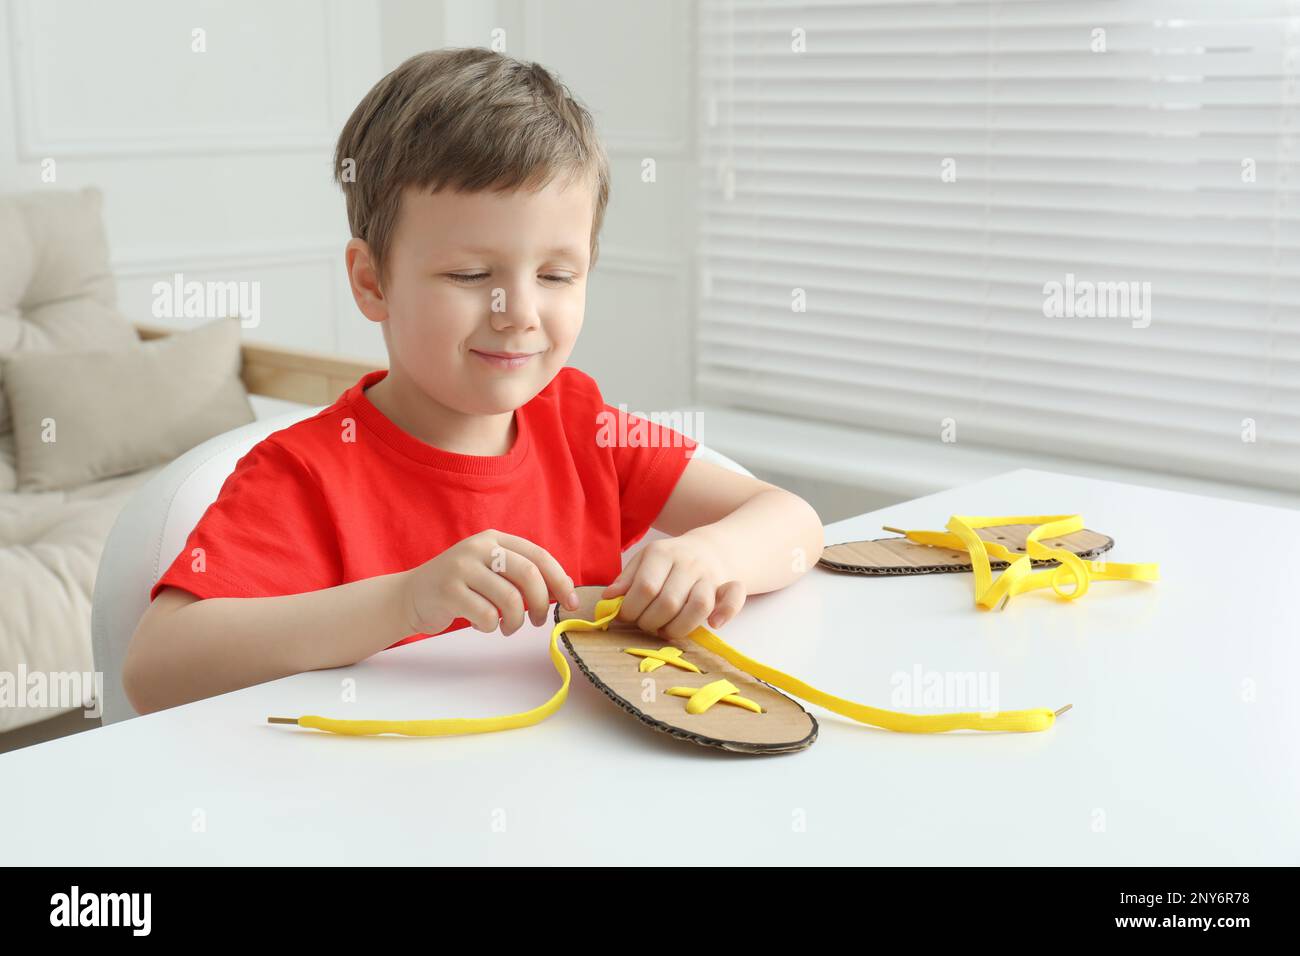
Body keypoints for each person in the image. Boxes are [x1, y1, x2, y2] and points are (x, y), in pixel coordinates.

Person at [123, 48, 824, 715]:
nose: (517, 313)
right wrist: (405, 603)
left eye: (556, 275)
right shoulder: (305, 472)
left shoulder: (579, 421)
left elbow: (794, 522)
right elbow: (156, 670)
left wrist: (709, 554)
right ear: (373, 282)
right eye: (469, 275)